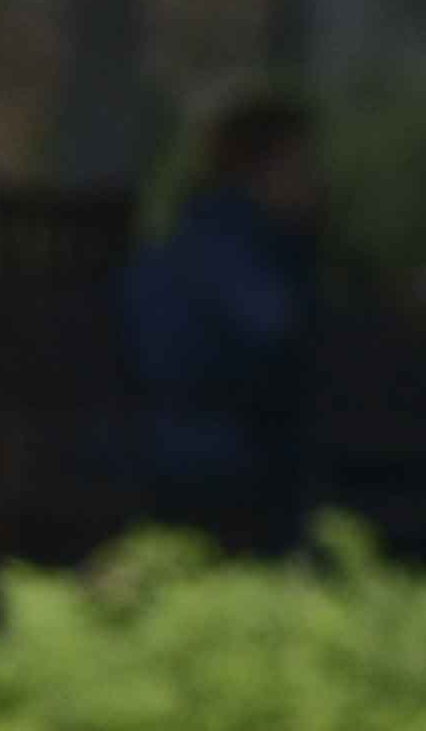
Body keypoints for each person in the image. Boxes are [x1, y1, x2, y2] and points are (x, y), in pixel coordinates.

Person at [116, 81, 327, 551]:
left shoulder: (206, 237)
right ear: (263, 170)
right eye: (302, 165)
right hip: (205, 447)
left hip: (182, 442)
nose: (317, 182)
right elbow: (276, 337)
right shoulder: (230, 249)